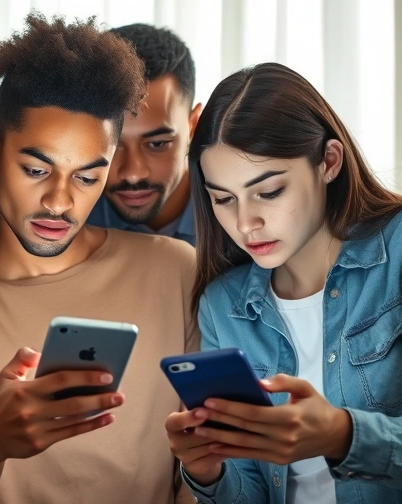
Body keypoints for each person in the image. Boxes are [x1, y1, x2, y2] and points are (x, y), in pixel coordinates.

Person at [0, 13, 199, 504]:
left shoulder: (175, 270)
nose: (59, 201)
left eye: (86, 176)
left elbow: (203, 463)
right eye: (37, 169)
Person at [167, 62, 402, 504]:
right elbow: (249, 493)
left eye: (269, 191)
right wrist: (206, 472)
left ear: (329, 162)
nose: (245, 222)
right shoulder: (223, 306)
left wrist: (342, 436)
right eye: (223, 199)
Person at [87, 23, 201, 245]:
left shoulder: (242, 222)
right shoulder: (65, 220)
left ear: (193, 126)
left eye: (157, 144)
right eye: (111, 146)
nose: (133, 173)